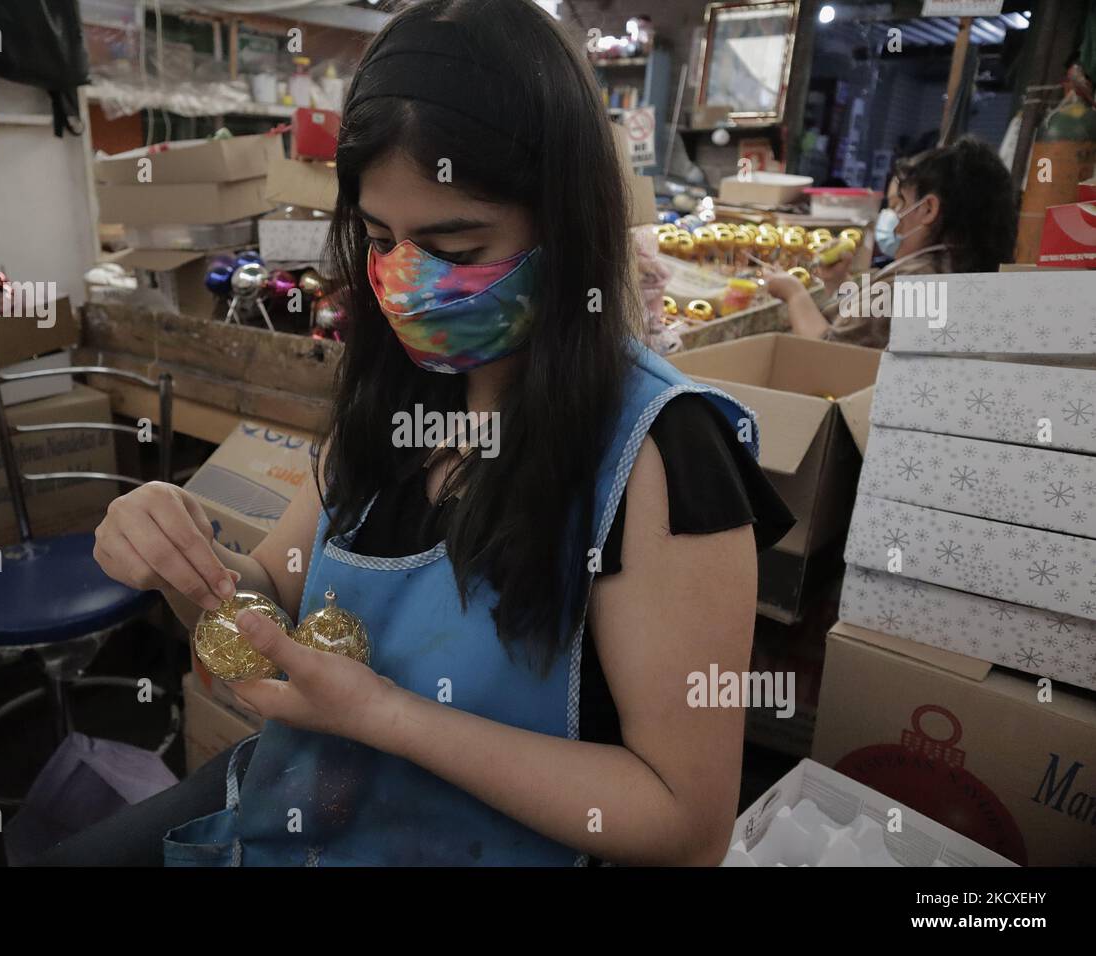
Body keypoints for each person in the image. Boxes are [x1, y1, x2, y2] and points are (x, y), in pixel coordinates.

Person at [51, 0, 792, 867]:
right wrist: (183, 555)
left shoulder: (661, 458)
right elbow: (272, 593)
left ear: (567, 220)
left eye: (456, 242)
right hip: (315, 815)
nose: (408, 284)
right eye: (378, 239)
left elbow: (686, 823)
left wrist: (387, 718)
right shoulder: (393, 400)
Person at [765, 137, 1017, 348]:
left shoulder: (914, 280)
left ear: (928, 209)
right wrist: (839, 282)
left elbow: (829, 352)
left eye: (900, 205)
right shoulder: (965, 272)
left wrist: (794, 294)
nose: (893, 219)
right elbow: (871, 327)